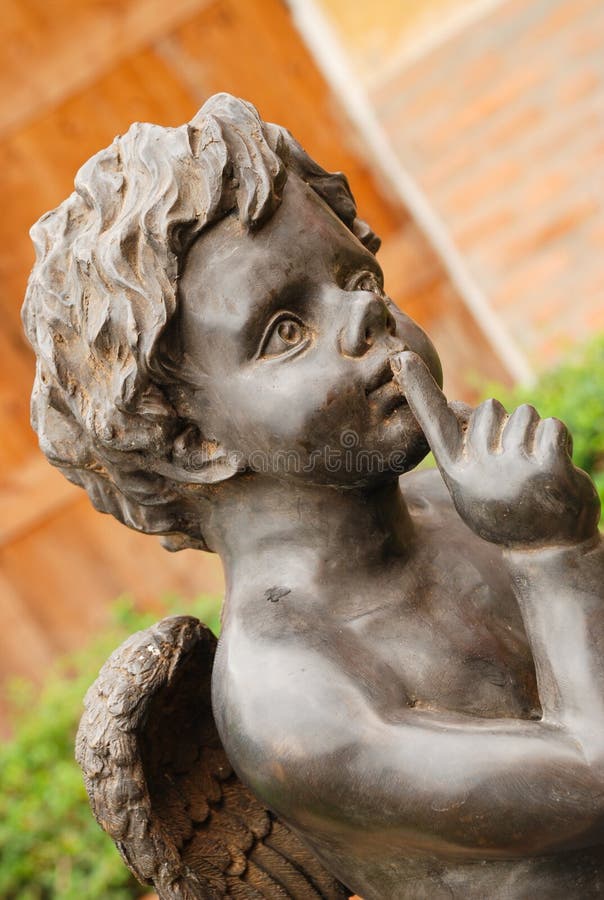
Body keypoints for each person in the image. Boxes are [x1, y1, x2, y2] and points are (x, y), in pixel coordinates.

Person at [23, 93, 604, 899]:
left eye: (358, 276)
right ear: (194, 441)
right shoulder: (292, 694)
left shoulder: (463, 506)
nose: (370, 314)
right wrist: (554, 551)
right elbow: (592, 781)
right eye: (285, 330)